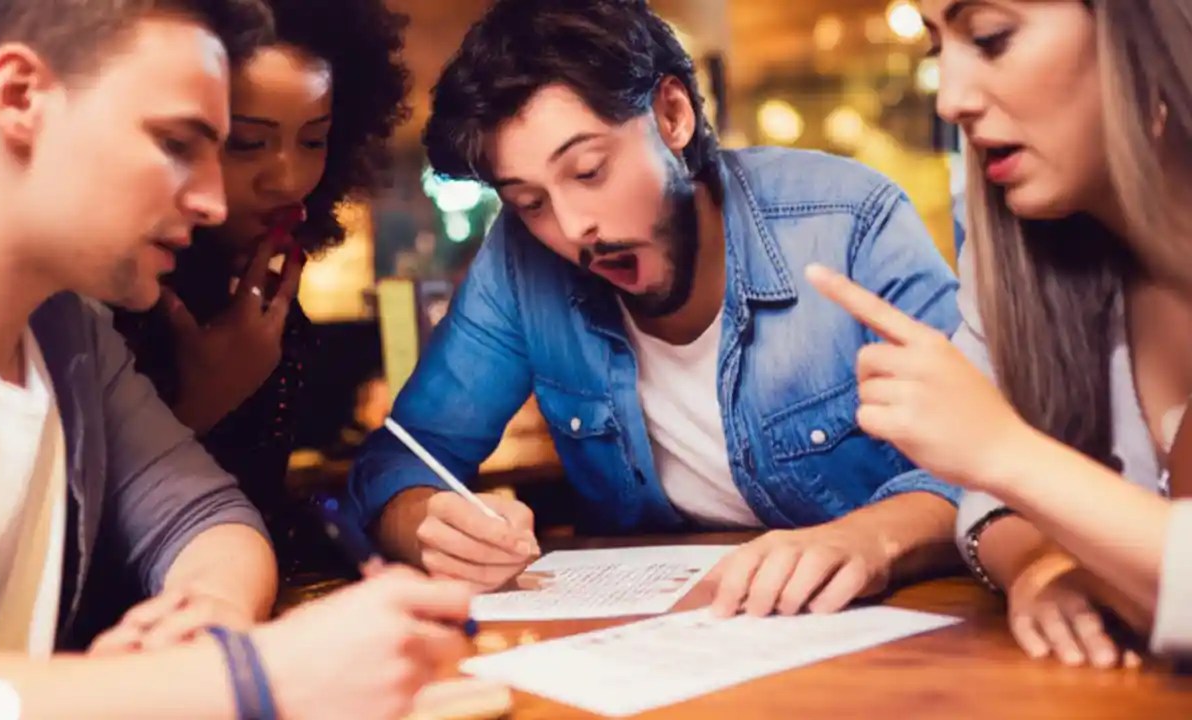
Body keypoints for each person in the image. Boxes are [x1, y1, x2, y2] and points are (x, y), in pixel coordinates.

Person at [0, 1, 471, 717]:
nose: (211, 201)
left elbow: (205, 516)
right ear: (21, 97)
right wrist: (244, 679)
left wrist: (205, 614)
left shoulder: (65, 329)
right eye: (179, 143)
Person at [346, 0, 964, 619]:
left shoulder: (848, 221)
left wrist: (866, 539)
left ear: (672, 115)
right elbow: (401, 459)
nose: (571, 227)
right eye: (530, 201)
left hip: (878, 633)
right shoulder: (520, 264)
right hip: (666, 642)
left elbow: (988, 457)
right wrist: (431, 522)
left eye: (589, 171)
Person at [807, 0, 1192, 667]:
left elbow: (995, 465)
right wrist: (1040, 566)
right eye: (937, 51)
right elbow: (982, 502)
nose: (950, 99)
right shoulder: (1016, 253)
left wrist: (1004, 451)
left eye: (991, 38)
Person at [112, 0, 410, 579]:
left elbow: (261, 498)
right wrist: (206, 398)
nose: (289, 178)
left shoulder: (261, 281)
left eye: (314, 140)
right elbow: (80, 529)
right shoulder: (110, 285)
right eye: (247, 144)